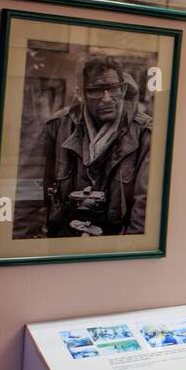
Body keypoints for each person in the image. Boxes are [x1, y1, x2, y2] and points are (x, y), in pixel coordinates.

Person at [14, 56, 152, 239]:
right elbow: (29, 190)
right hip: (62, 241)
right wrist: (23, 244)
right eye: (96, 90)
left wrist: (127, 252)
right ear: (81, 94)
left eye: (113, 88)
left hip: (115, 245)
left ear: (123, 89)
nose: (106, 98)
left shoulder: (144, 133)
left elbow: (145, 207)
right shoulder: (57, 126)